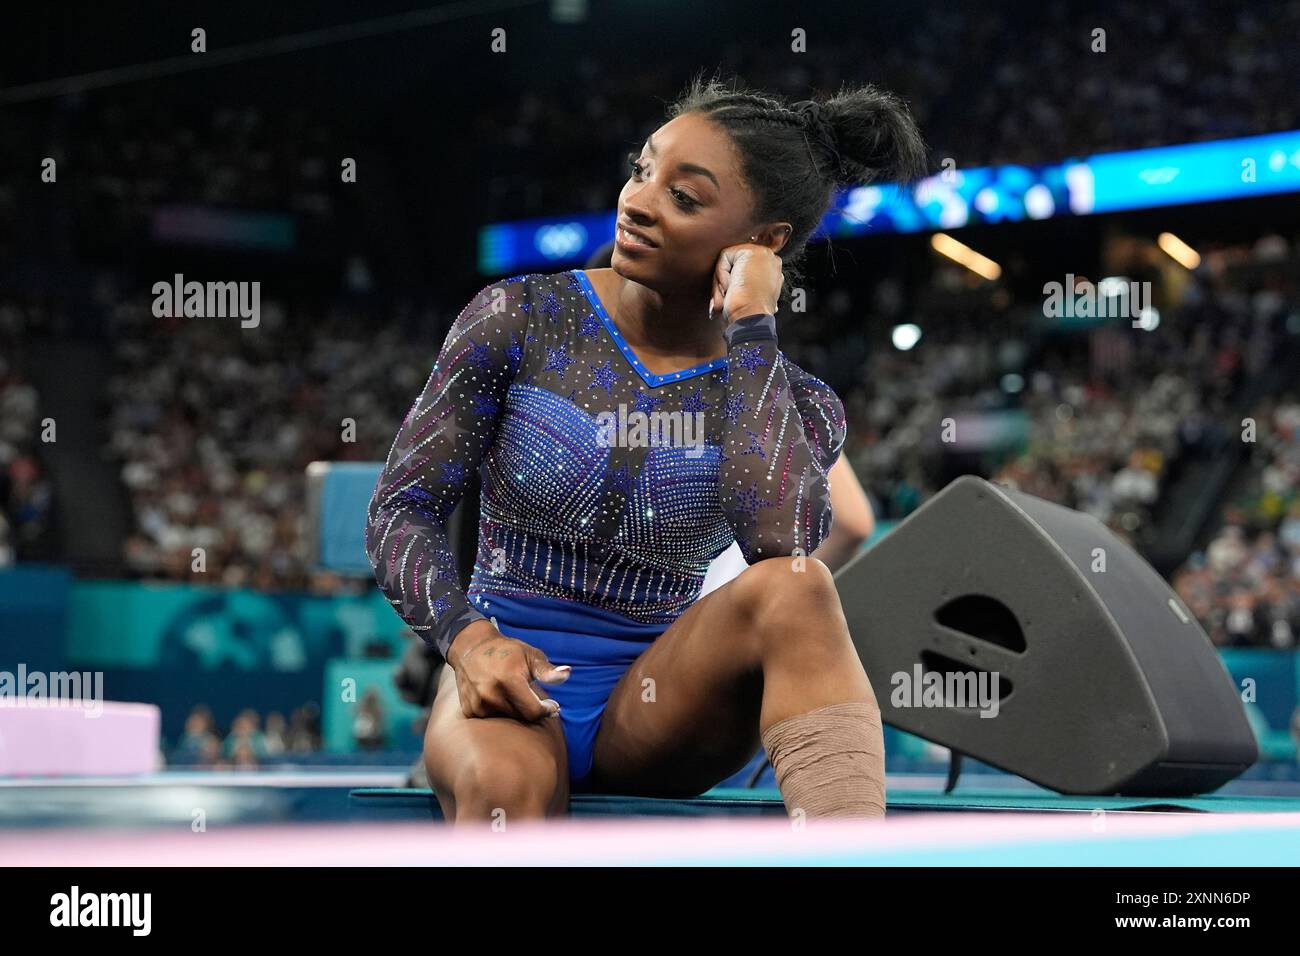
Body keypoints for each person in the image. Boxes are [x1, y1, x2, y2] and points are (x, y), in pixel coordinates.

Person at [367, 74, 926, 823]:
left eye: (685, 197)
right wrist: (467, 641)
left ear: (763, 242)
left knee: (800, 586)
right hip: (513, 673)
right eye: (642, 170)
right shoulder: (520, 317)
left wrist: (752, 327)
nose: (638, 200)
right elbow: (403, 508)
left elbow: (783, 546)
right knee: (506, 792)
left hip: (662, 699)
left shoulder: (800, 400)